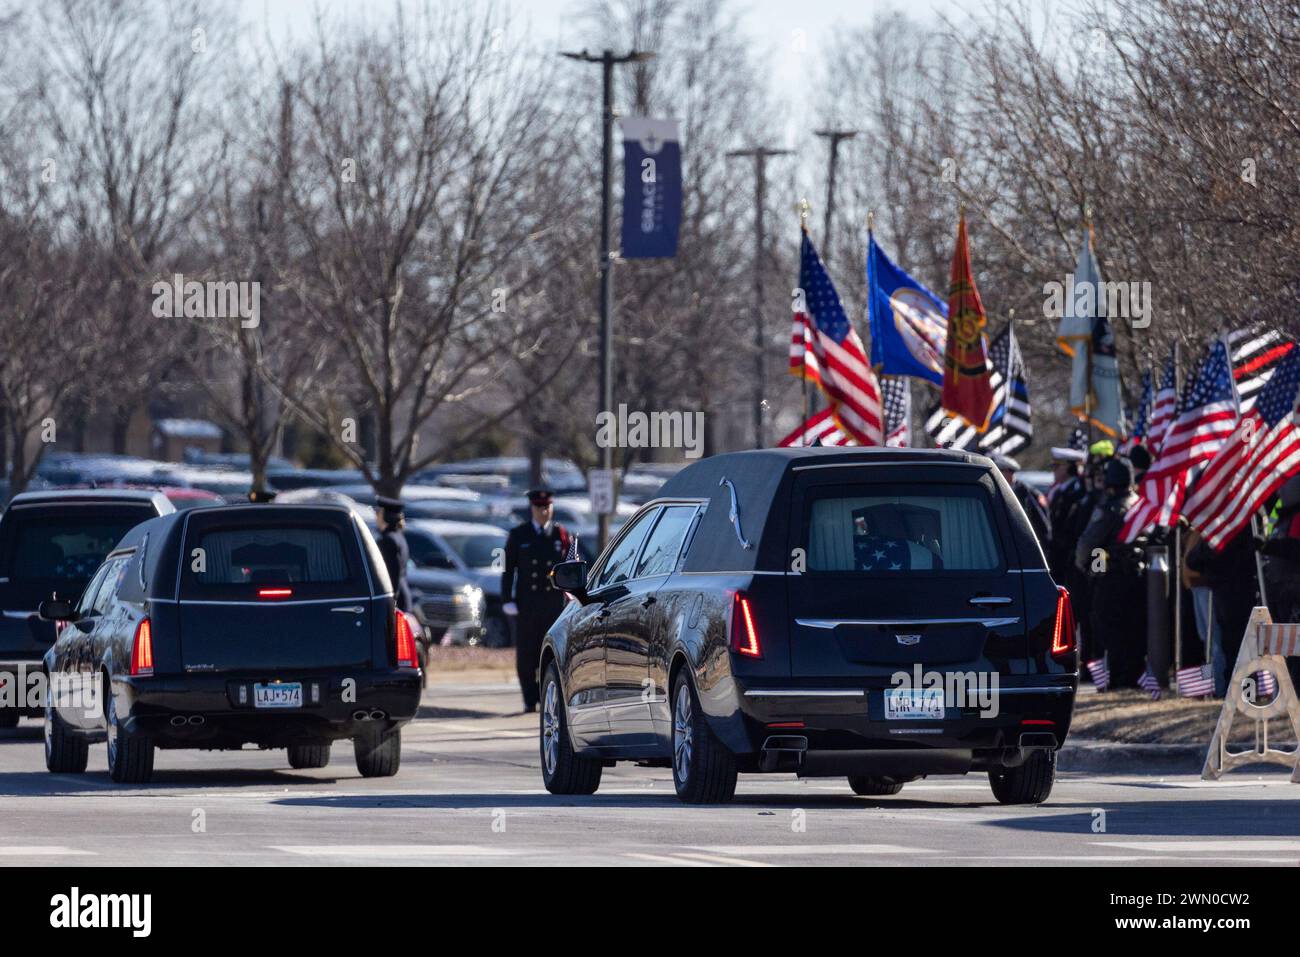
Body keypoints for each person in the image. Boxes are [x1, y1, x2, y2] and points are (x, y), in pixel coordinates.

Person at [1075, 456, 1147, 688]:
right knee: (1134, 632)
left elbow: (1087, 545)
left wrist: (1083, 566)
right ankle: (1133, 677)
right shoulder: (1141, 504)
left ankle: (1117, 681)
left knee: (1109, 632)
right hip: (1140, 579)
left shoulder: (1110, 508)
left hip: (1111, 579)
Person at [501, 489, 574, 713]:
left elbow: (569, 568)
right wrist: (507, 599)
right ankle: (529, 699)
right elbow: (507, 569)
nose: (544, 511)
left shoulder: (561, 535)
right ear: (532, 509)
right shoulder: (518, 535)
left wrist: (572, 593)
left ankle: (547, 696)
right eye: (540, 507)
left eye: (548, 507)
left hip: (553, 604)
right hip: (527, 604)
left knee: (550, 652)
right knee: (527, 654)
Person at [1046, 445, 1087, 584]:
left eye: (1057, 466)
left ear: (1069, 467)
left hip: (1069, 556)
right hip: (1058, 554)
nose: (1054, 470)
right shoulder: (1059, 491)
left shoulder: (1078, 492)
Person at [992, 454, 1051, 548]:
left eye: (1001, 471)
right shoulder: (998, 489)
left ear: (1009, 472)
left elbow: (1040, 522)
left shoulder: (1024, 491)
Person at [375, 496, 412, 614]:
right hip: (403, 596)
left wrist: (391, 601)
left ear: (385, 516)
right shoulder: (399, 537)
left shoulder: (388, 541)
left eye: (379, 513)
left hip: (395, 599)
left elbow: (392, 574)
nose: (376, 516)